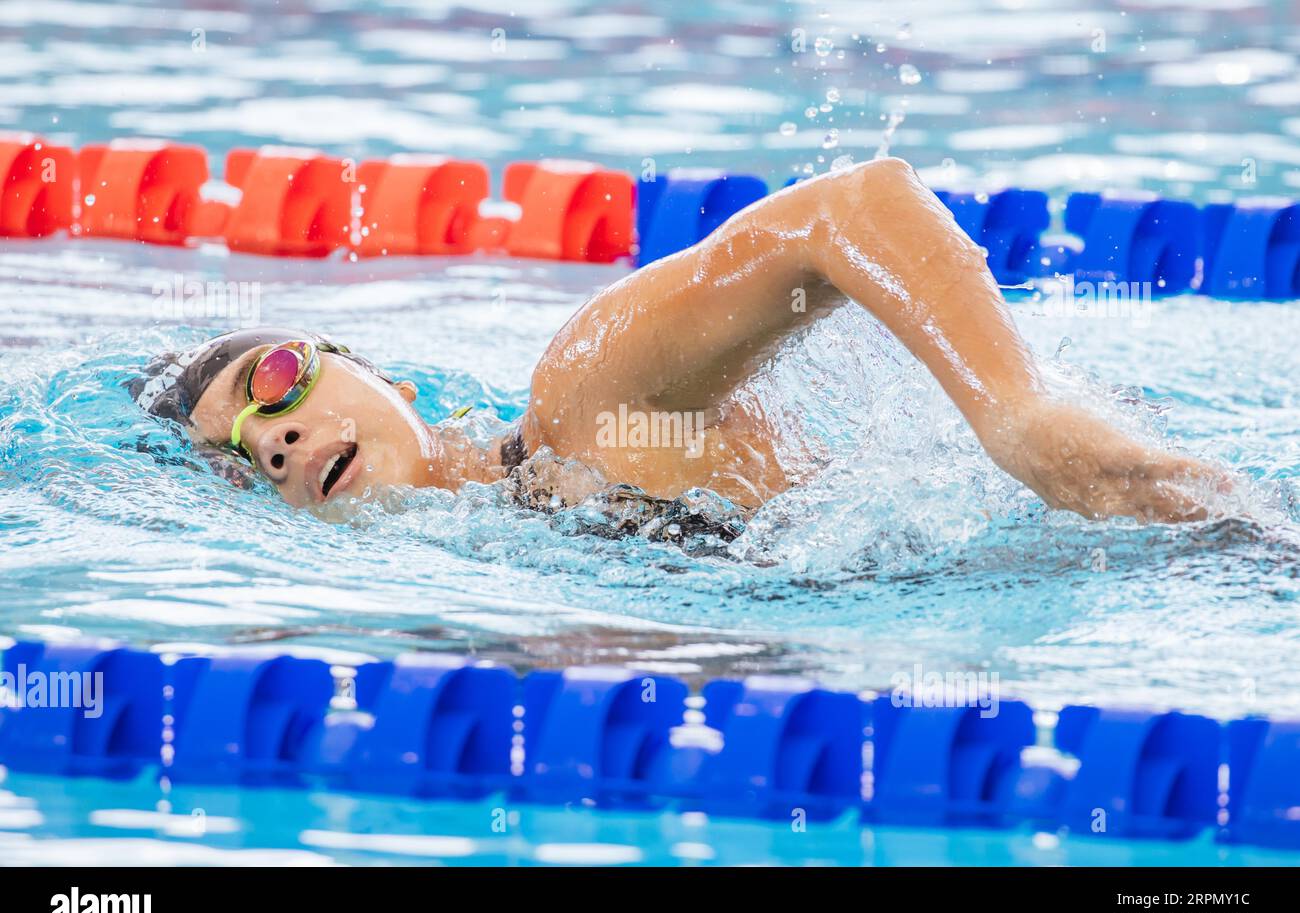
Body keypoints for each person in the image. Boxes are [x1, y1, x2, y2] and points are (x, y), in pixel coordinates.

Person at [130, 157, 1226, 525]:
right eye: (243, 459)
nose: (272, 441)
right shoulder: (498, 552)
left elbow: (847, 207)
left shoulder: (585, 402)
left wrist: (1016, 413)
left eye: (274, 384)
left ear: (381, 372)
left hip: (1183, 546)